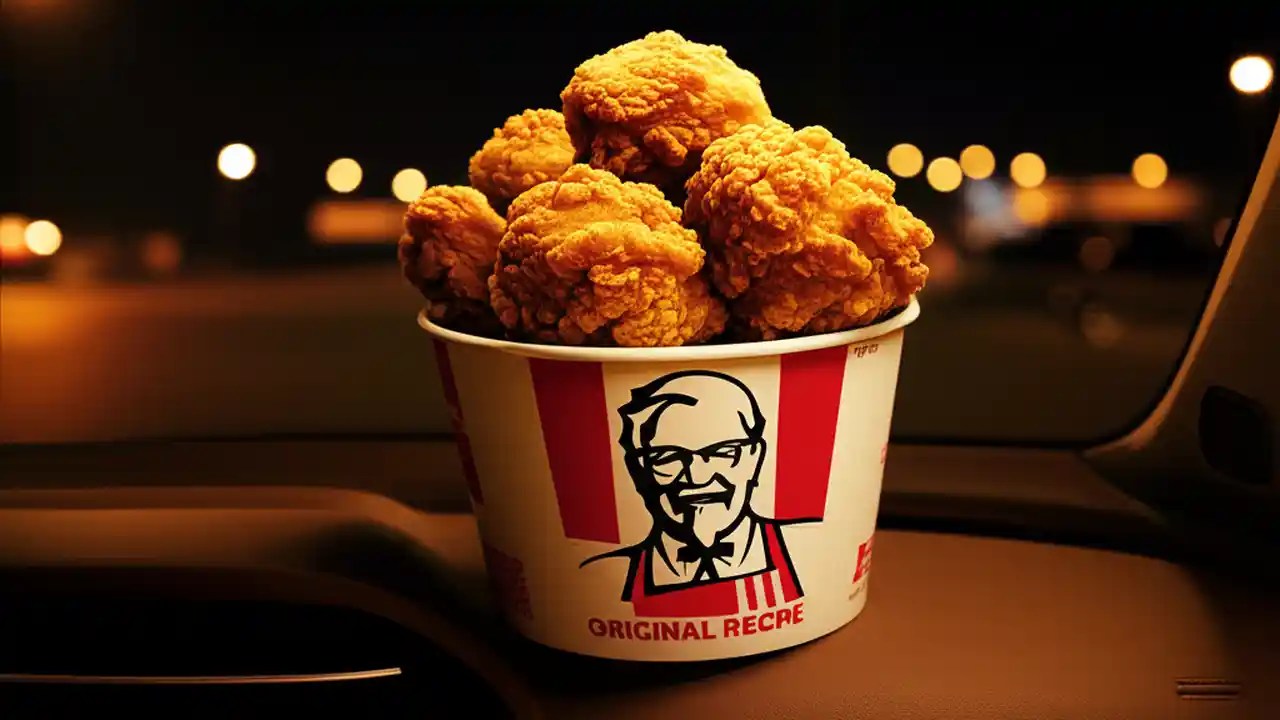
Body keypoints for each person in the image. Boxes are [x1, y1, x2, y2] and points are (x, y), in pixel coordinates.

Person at [583, 370, 805, 616]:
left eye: (723, 452)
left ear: (754, 458)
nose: (698, 478)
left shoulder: (807, 546)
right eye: (667, 458)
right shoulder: (600, 575)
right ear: (637, 470)